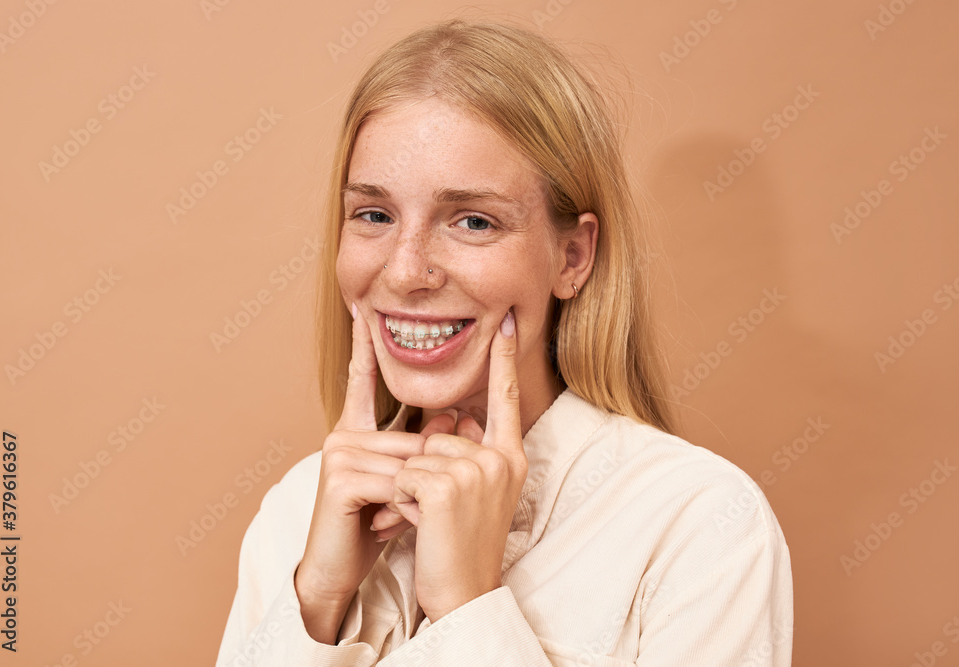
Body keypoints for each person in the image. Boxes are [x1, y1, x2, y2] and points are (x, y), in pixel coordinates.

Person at [216, 18, 793, 666]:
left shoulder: (700, 524)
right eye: (374, 214)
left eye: (472, 220)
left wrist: (469, 605)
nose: (406, 271)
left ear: (573, 256)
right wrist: (316, 597)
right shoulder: (299, 509)